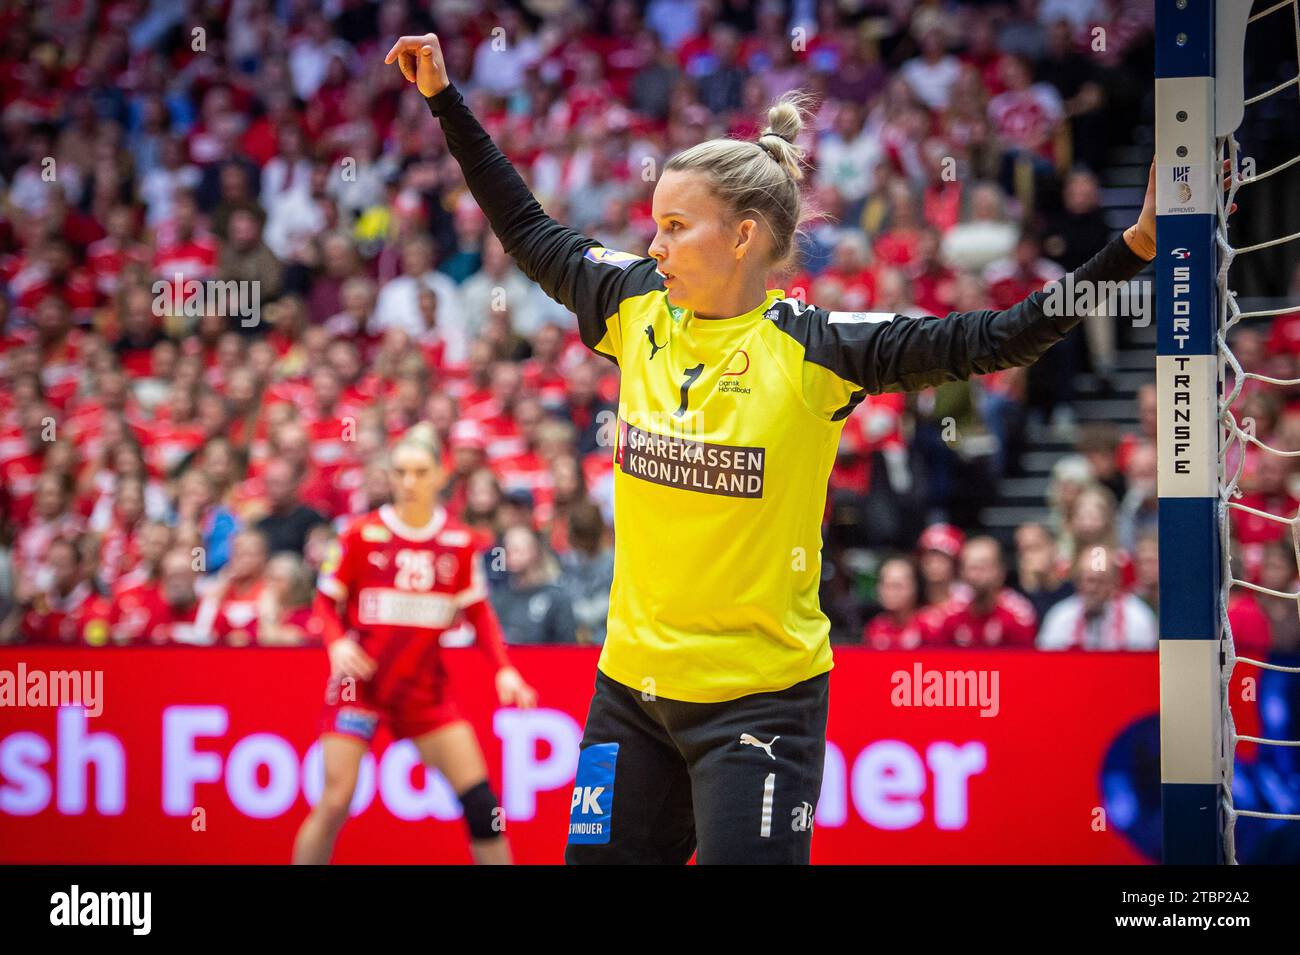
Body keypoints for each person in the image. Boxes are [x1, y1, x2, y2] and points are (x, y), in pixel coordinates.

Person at [384, 32, 1159, 864]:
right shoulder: (633, 305)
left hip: (759, 707)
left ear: (745, 236)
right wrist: (444, 99)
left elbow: (999, 335)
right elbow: (525, 228)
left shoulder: (818, 349)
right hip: (630, 696)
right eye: (656, 226)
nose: (655, 246)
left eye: (677, 227)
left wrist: (1134, 248)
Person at [292, 424, 536, 865]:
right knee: (334, 802)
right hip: (360, 690)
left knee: (483, 807)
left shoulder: (460, 543)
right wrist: (335, 645)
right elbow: (326, 603)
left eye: (420, 472)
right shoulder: (360, 535)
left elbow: (479, 613)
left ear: (441, 475)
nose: (408, 482)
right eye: (400, 472)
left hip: (424, 692)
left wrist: (503, 668)